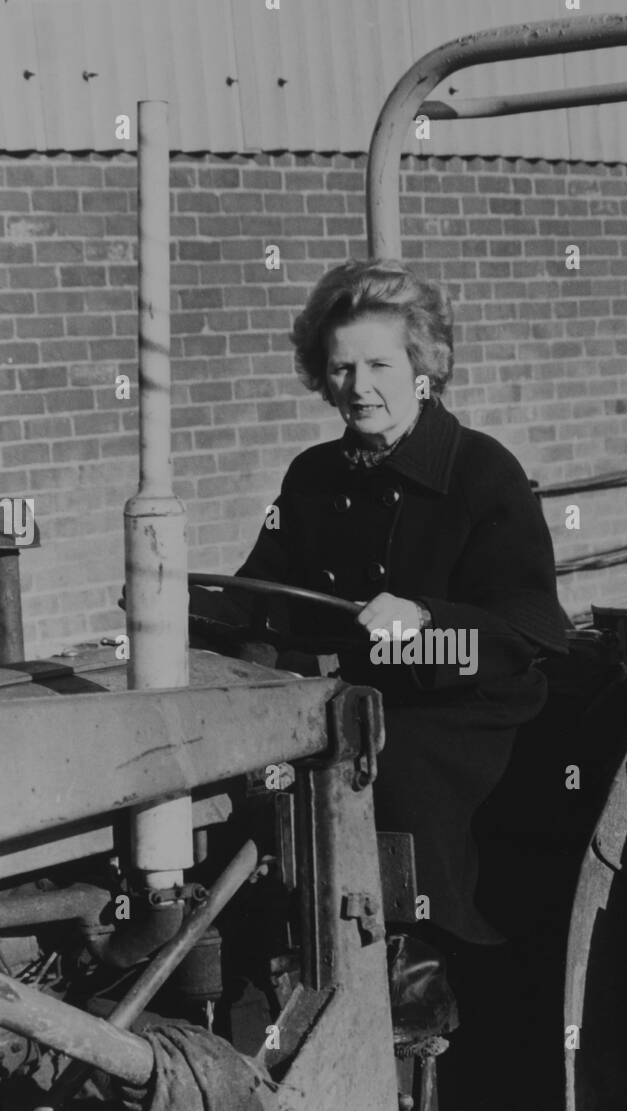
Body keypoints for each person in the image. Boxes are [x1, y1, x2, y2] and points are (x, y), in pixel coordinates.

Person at [194, 259, 572, 1042]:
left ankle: (416, 1007)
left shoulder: (481, 471)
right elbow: (262, 597)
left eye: (378, 364)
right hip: (356, 709)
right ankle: (252, 981)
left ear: (423, 367)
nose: (358, 385)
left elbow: (532, 624)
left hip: (467, 717)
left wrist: (427, 620)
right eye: (340, 367)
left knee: (380, 773)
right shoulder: (310, 478)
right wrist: (183, 613)